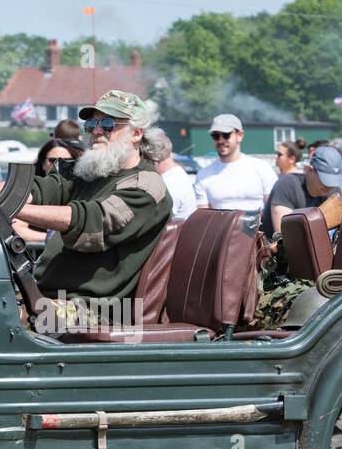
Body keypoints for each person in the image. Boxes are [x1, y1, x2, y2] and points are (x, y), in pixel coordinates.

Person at [15, 89, 171, 305]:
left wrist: (14, 207)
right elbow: (42, 189)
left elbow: (91, 221)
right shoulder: (91, 172)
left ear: (136, 133)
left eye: (107, 125)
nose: (96, 131)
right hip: (45, 296)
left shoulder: (146, 186)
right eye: (91, 125)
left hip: (90, 309)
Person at [261, 144, 342, 240]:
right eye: (326, 179)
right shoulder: (287, 185)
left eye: (334, 180)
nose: (329, 186)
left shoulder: (333, 190)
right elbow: (283, 236)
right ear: (310, 170)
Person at [192, 113, 277, 212]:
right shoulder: (203, 175)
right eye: (215, 136)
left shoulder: (262, 168)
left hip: (258, 226)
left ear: (240, 135)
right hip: (220, 227)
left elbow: (273, 209)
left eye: (226, 135)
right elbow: (204, 217)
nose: (221, 140)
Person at [140, 127, 196, 220]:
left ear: (153, 158)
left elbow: (154, 222)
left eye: (143, 158)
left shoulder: (171, 184)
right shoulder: (175, 175)